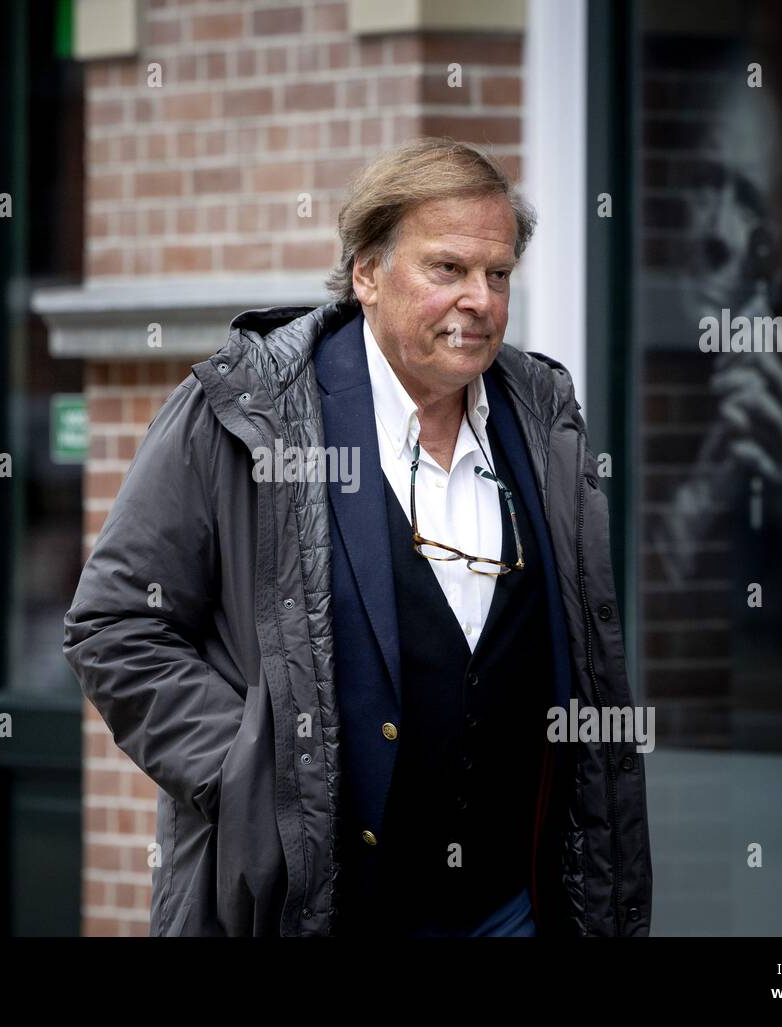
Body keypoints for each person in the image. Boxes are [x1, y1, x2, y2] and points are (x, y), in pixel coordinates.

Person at [63, 137, 652, 937]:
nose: (480, 298)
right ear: (367, 274)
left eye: (499, 273)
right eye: (448, 269)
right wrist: (248, 777)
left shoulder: (544, 416)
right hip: (324, 909)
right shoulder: (244, 410)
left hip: (514, 906)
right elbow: (116, 622)